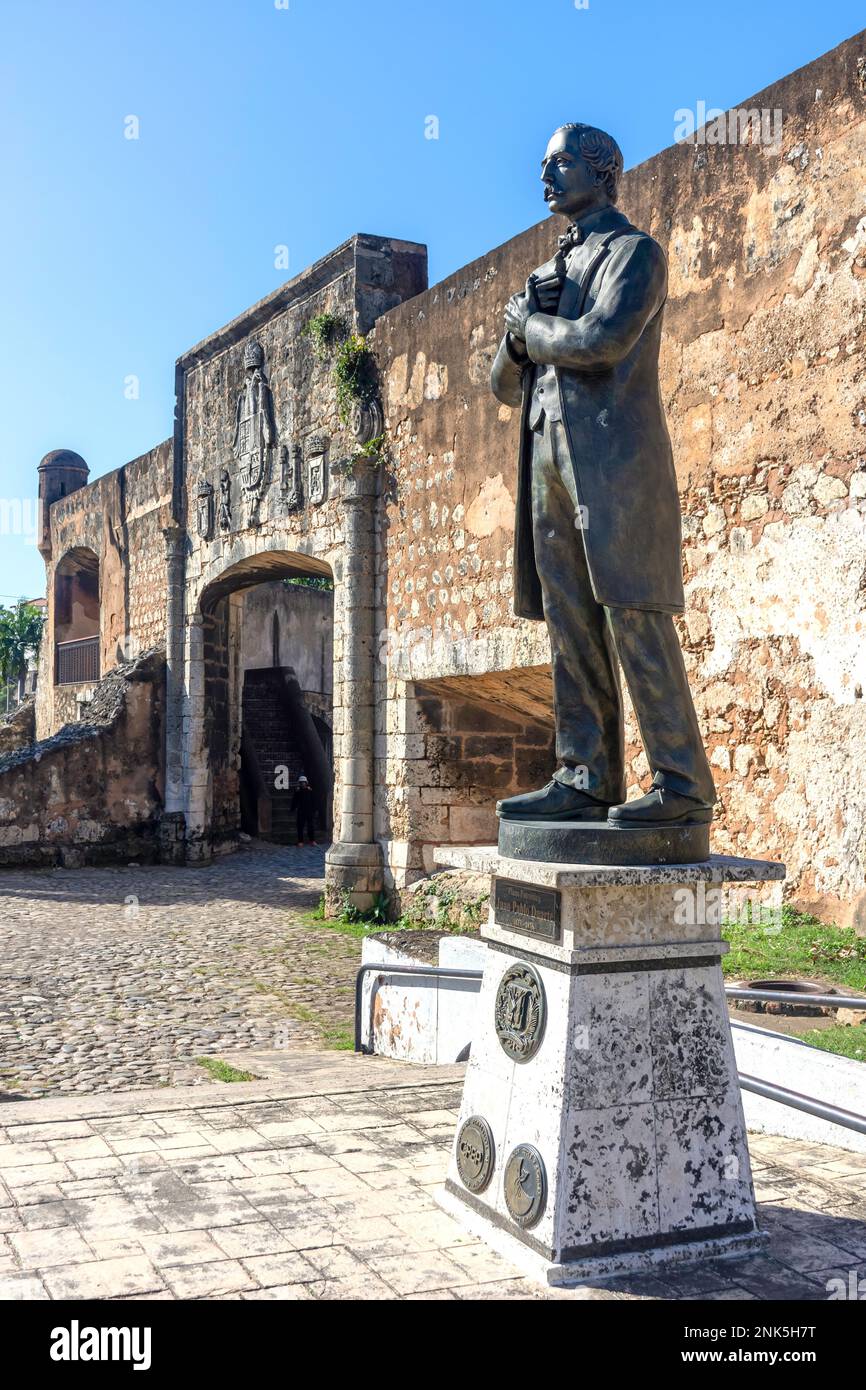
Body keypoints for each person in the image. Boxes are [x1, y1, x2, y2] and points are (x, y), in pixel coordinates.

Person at [492, 122, 716, 827]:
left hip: (615, 466)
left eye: (558, 163)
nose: (545, 176)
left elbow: (602, 341)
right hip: (547, 460)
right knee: (570, 623)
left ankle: (683, 787)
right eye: (543, 164)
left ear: (602, 169)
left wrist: (536, 332)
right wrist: (515, 333)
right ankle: (585, 775)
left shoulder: (636, 254)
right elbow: (503, 384)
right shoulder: (543, 277)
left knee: (633, 615)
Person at [292, 774, 317, 846]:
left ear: (306, 782)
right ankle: (300, 841)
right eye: (301, 782)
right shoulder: (298, 791)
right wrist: (293, 809)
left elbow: (313, 800)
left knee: (311, 826)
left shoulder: (310, 791)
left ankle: (312, 840)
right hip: (301, 811)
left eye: (304, 782)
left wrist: (314, 809)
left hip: (309, 811)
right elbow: (295, 800)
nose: (303, 784)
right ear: (299, 783)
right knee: (300, 826)